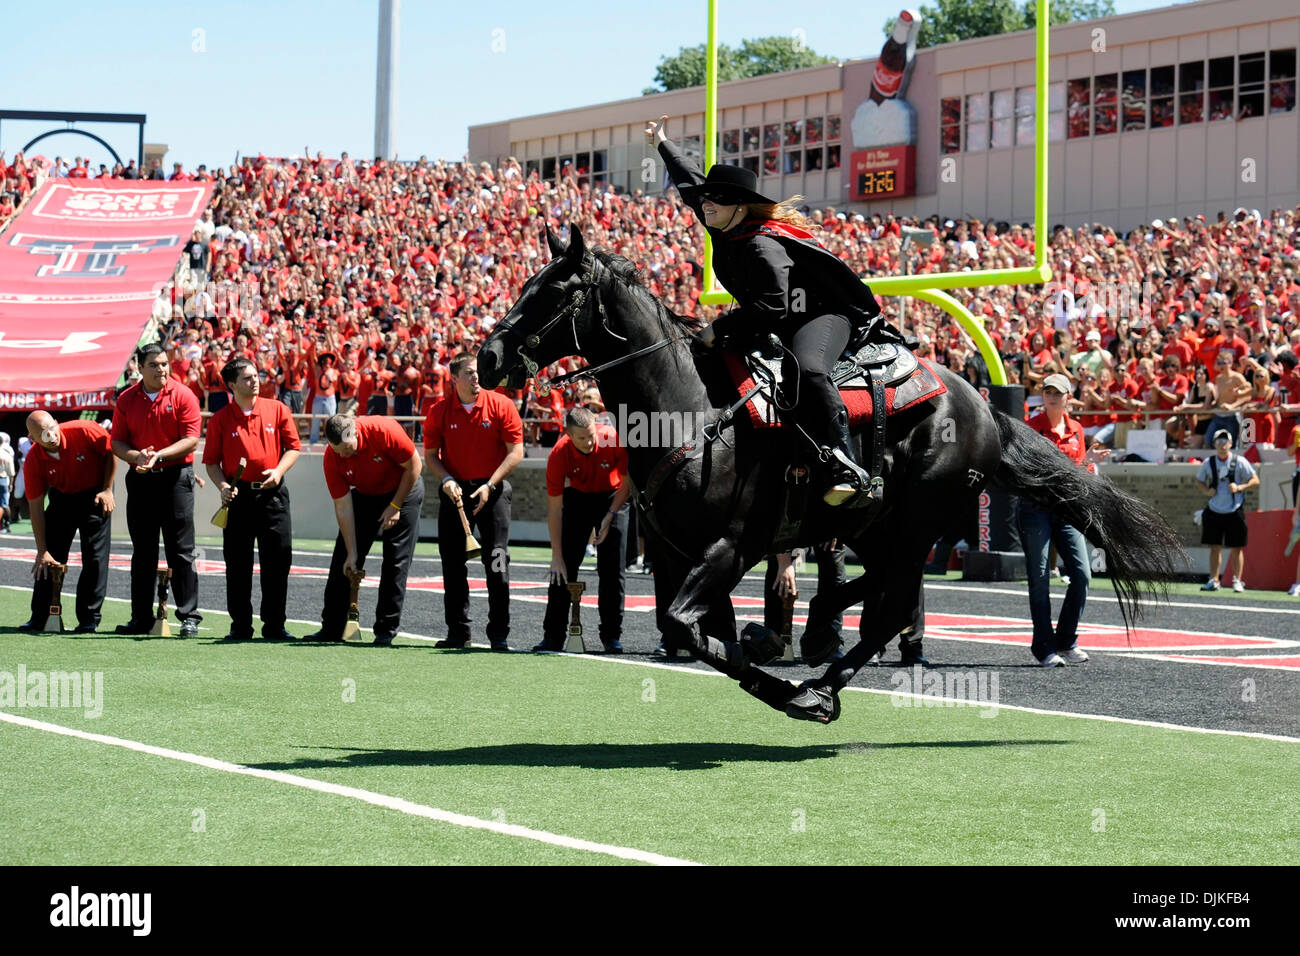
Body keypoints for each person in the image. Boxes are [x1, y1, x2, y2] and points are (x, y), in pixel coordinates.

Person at [648, 113, 897, 507]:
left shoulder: (761, 245)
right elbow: (690, 182)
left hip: (822, 315)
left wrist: (720, 326)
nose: (707, 203)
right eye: (709, 197)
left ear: (742, 208)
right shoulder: (722, 219)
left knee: (809, 368)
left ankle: (845, 464)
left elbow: (772, 308)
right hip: (776, 318)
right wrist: (663, 142)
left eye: (718, 198)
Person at [423, 352, 524, 651]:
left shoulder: (501, 404)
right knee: (452, 566)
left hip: (492, 493)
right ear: (454, 379)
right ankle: (458, 632)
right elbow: (430, 455)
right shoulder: (439, 411)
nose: (476, 377)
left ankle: (499, 635)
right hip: (455, 494)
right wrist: (446, 479)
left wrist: (490, 485)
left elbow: (515, 451)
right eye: (469, 372)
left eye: (478, 371)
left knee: (496, 562)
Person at [202, 358, 301, 641]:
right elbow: (211, 462)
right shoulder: (221, 419)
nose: (254, 380)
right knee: (237, 564)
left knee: (278, 561)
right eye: (247, 378)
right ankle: (240, 626)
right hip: (239, 498)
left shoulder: (278, 408)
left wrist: (279, 471)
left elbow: (293, 448)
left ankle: (274, 626)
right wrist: (222, 485)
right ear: (232, 385)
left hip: (273, 495)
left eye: (255, 375)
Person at [110, 343, 203, 636]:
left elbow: (191, 439)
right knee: (143, 552)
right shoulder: (126, 399)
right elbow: (117, 442)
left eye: (164, 363)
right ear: (140, 366)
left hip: (176, 478)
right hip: (140, 478)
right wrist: (136, 456)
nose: (162, 369)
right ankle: (140, 618)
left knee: (182, 551)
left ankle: (189, 616)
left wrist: (158, 455)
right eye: (154, 364)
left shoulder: (184, 394)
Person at [307, 414, 423, 645]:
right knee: (343, 558)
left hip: (403, 489)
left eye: (346, 449)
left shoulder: (383, 430)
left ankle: (385, 630)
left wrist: (395, 506)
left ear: (355, 433)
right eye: (337, 449)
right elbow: (343, 507)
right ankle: (331, 628)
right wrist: (352, 552)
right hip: (367, 495)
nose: (343, 455)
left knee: (395, 561)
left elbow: (414, 466)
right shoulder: (333, 457)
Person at [1018, 373, 1103, 667]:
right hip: (1035, 507)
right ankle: (1043, 647)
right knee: (1040, 578)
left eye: (1058, 392)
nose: (1052, 396)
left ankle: (1066, 640)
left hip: (1066, 509)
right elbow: (1026, 469)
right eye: (1048, 391)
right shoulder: (1031, 428)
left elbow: (1077, 469)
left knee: (1082, 574)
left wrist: (1088, 461)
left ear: (1069, 398)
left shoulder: (1077, 429)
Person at [534, 406, 631, 653]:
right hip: (578, 497)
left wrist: (610, 516)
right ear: (568, 435)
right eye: (581, 438)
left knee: (612, 569)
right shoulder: (559, 453)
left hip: (613, 497)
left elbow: (628, 483)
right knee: (564, 568)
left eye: (591, 435)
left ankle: (611, 635)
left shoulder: (612, 439)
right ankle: (553, 635)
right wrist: (556, 555)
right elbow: (555, 510)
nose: (589, 442)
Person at [17, 413, 114, 633]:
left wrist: (107, 489)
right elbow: (36, 508)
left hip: (94, 493)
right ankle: (41, 616)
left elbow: (110, 454)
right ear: (32, 438)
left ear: (57, 424)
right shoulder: (33, 461)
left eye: (52, 428)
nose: (51, 436)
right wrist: (42, 550)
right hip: (62, 497)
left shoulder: (85, 429)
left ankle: (89, 618)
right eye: (43, 434)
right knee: (49, 559)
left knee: (95, 558)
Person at [1195, 428, 1259, 592]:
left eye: (1225, 442)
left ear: (1230, 444)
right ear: (1214, 444)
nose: (1222, 445)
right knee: (1214, 546)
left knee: (1237, 547)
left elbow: (1255, 479)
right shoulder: (1209, 463)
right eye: (1219, 441)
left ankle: (1237, 580)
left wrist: (1240, 487)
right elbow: (1199, 481)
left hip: (1234, 509)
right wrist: (1206, 491)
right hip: (1214, 509)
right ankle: (1214, 579)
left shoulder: (1240, 461)